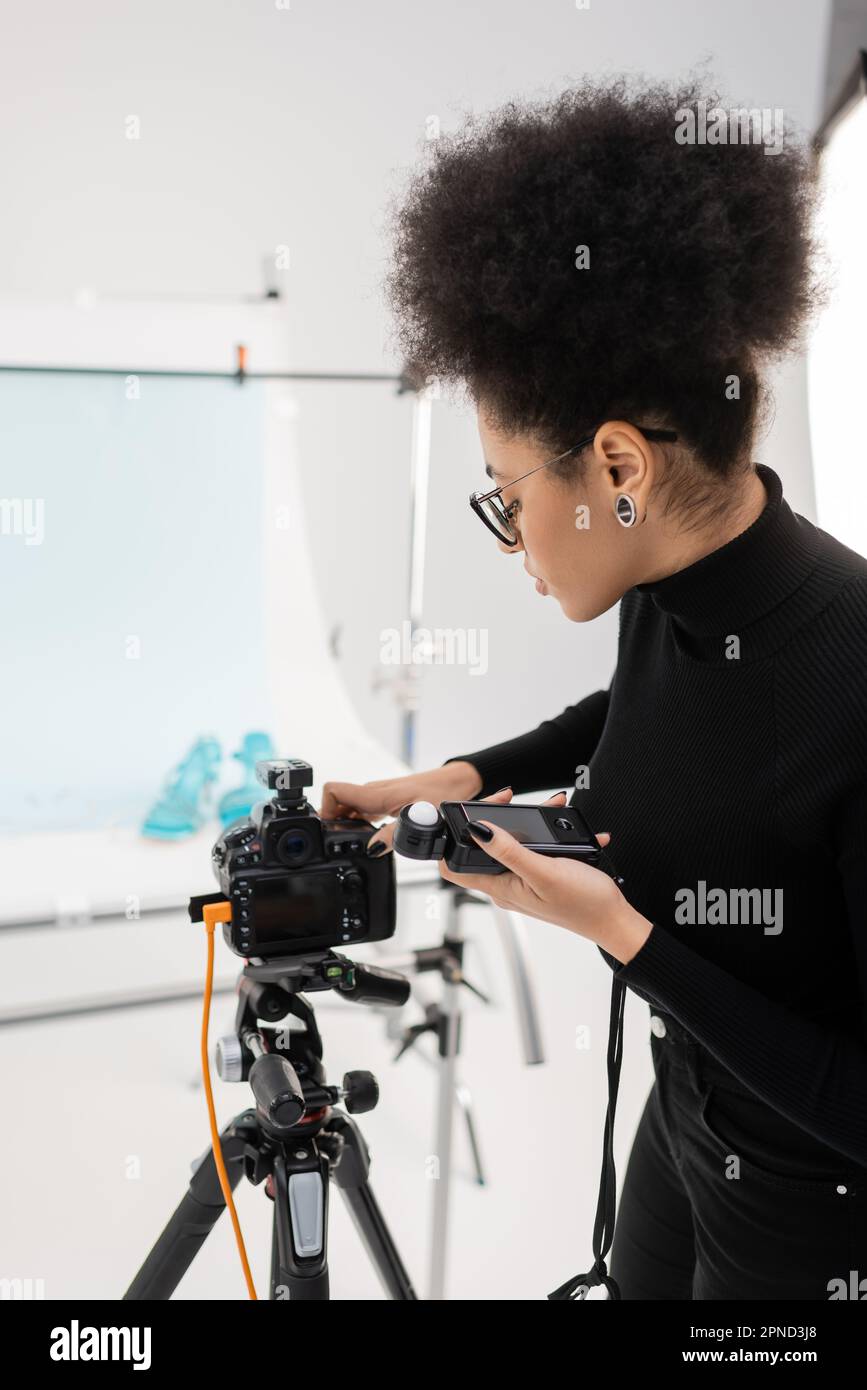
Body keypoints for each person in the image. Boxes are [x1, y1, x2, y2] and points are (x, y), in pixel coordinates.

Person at [321, 76, 867, 1300]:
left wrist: (618, 933)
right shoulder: (675, 589)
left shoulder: (851, 676)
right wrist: (454, 778)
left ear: (618, 464)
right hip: (684, 1124)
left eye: (506, 497)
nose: (511, 537)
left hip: (810, 1223)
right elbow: (639, 716)